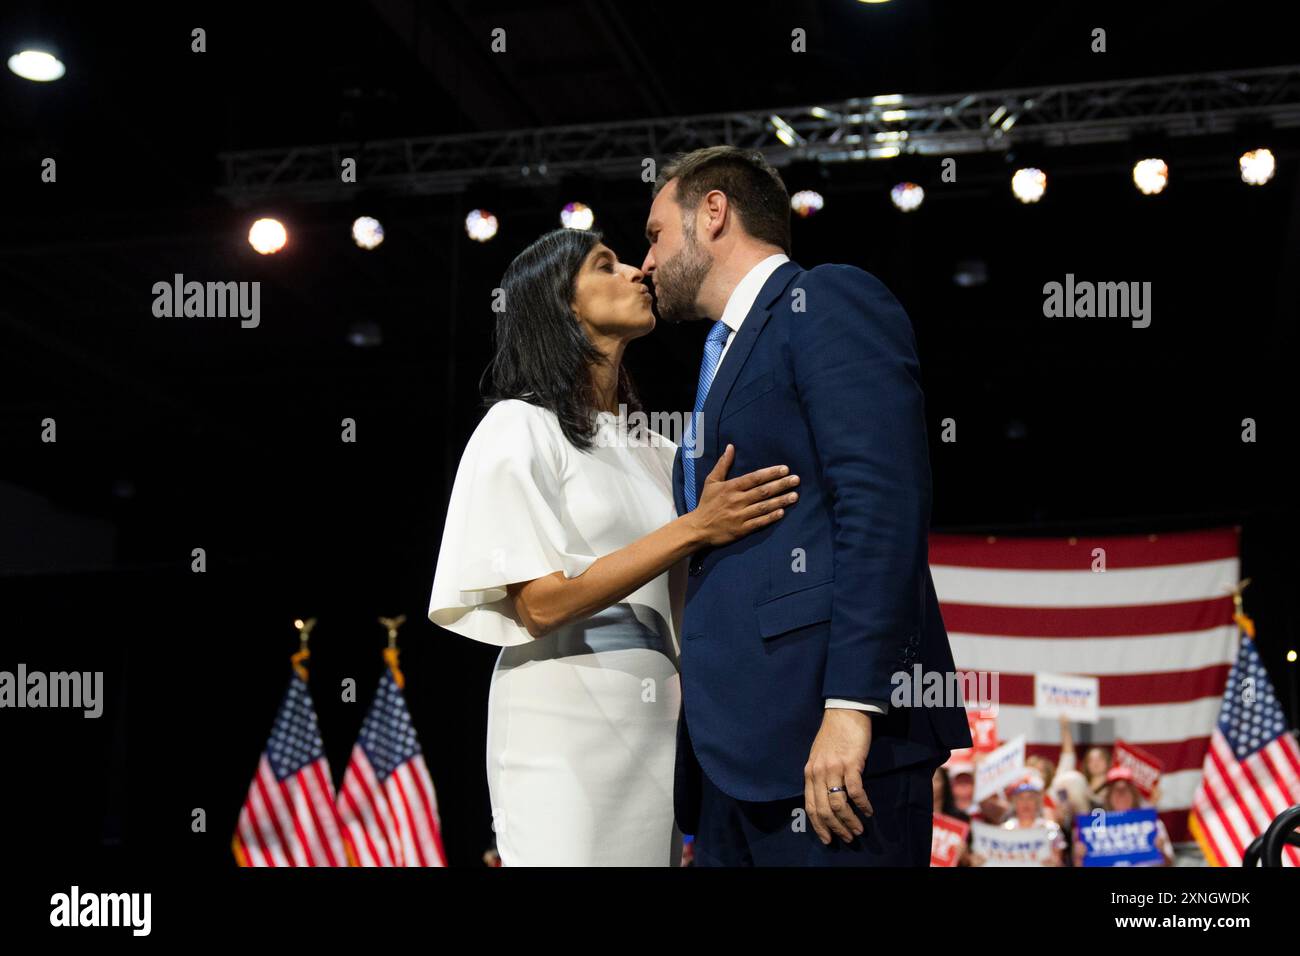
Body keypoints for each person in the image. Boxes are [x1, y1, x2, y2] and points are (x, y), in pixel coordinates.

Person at [641, 146, 972, 865]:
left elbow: (882, 504)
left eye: (655, 234)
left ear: (714, 212)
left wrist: (852, 708)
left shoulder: (823, 300)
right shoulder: (717, 358)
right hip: (737, 763)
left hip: (832, 745)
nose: (647, 263)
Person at [428, 227, 800, 866]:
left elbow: (684, 614)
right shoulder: (518, 426)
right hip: (562, 711)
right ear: (559, 304)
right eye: (606, 265)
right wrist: (692, 527)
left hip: (659, 718)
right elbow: (539, 607)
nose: (637, 272)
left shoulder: (659, 451)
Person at [1073, 765, 1174, 866]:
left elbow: (1169, 864)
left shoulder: (1153, 824)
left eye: (1125, 790)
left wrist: (1161, 851)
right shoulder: (1091, 828)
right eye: (1116, 790)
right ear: (1108, 796)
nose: (1121, 795)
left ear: (1134, 794)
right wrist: (1079, 858)